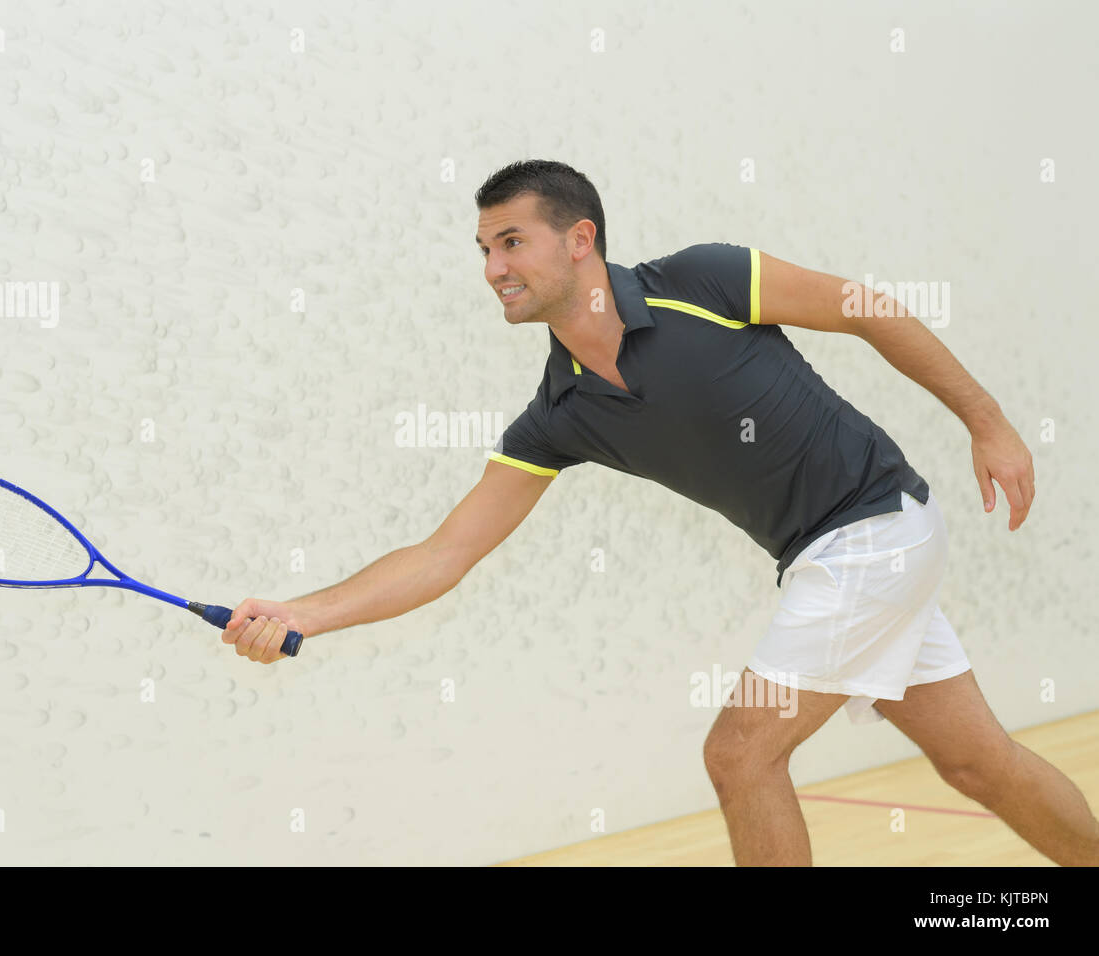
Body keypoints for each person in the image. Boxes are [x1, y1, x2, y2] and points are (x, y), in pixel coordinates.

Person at [222, 159, 1097, 866]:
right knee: (981, 762)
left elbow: (866, 310)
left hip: (876, 527)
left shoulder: (703, 281)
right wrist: (305, 612)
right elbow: (444, 553)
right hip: (831, 559)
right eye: (484, 248)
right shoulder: (558, 417)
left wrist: (989, 424)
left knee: (739, 754)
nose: (493, 269)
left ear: (580, 240)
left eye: (512, 242)